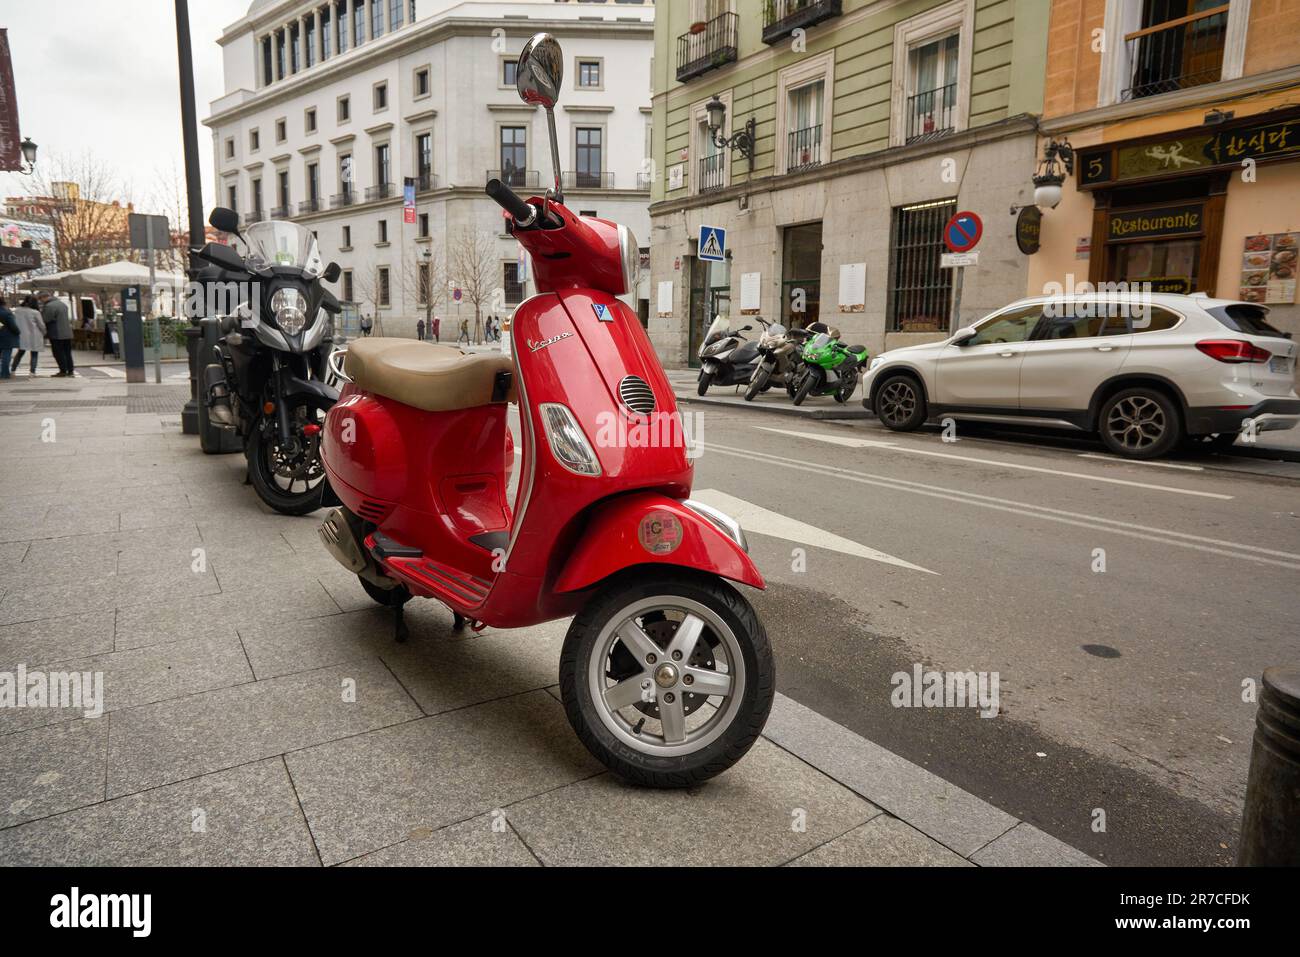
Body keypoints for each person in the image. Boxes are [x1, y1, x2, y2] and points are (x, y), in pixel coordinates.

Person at [39, 292, 74, 377]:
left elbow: (46, 319)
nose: (41, 302)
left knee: (58, 352)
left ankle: (63, 370)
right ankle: (70, 370)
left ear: (44, 297)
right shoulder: (62, 304)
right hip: (67, 333)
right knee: (67, 352)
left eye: (41, 299)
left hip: (57, 333)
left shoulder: (49, 306)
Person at [11, 296, 44, 376]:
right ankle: (32, 372)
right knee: (34, 354)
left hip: (21, 335)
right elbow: (41, 325)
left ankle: (13, 370)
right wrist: (44, 332)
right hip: (34, 335)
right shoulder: (35, 312)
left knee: (20, 353)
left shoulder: (17, 311)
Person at [0, 297, 19, 381]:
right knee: (6, 355)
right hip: (6, 336)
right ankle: (4, 373)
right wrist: (18, 332)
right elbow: (13, 326)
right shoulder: (6, 313)